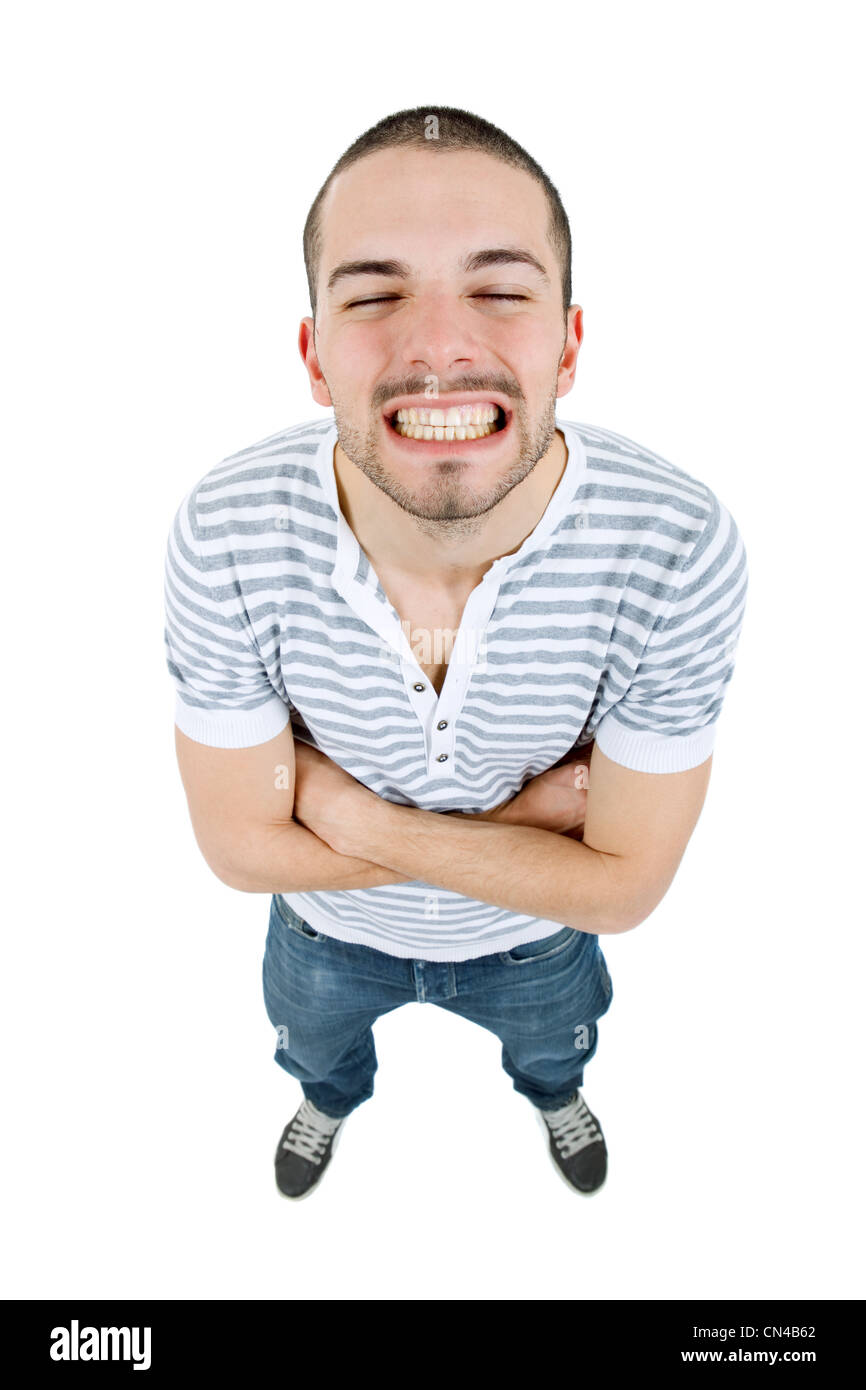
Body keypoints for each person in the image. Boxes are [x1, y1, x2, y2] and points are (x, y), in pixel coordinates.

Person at [164, 105, 748, 1201]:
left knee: (555, 1049)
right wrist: (529, 829)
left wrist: (352, 815)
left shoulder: (674, 545)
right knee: (315, 1050)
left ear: (568, 344)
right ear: (314, 355)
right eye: (375, 293)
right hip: (323, 938)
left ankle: (550, 1093)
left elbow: (619, 895)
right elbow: (241, 856)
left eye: (499, 289)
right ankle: (326, 1102)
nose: (437, 347)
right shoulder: (225, 528)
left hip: (534, 948)